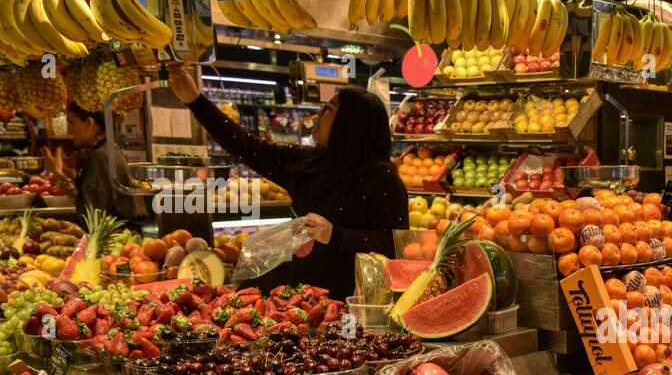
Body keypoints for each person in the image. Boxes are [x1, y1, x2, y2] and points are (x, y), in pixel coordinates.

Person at [165, 65, 405, 298]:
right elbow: (249, 148)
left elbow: (396, 245)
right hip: (305, 299)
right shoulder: (309, 163)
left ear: (350, 126)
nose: (320, 114)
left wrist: (336, 235)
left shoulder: (383, 180)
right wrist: (196, 101)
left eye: (329, 109)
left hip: (359, 307)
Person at [43, 103, 148, 222]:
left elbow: (91, 214)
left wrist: (60, 176)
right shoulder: (110, 150)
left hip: (118, 237)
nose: (70, 130)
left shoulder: (100, 156)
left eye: (72, 122)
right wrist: (72, 177)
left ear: (89, 124)